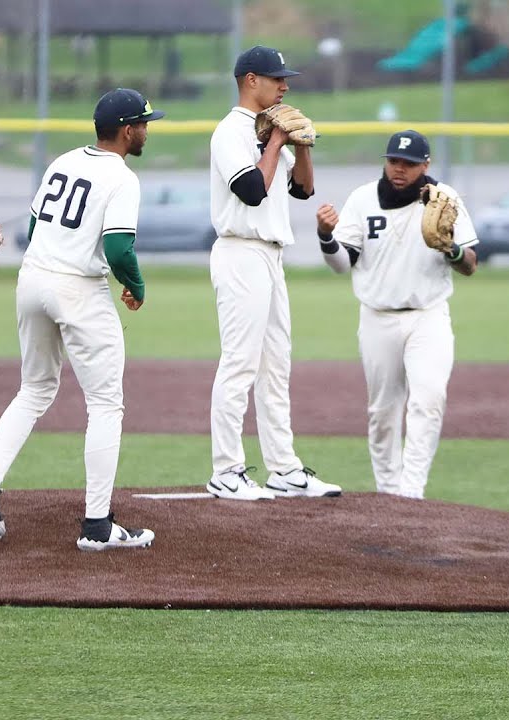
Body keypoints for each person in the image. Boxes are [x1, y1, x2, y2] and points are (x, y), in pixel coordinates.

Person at [0, 89, 160, 551]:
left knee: (33, 389)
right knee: (106, 403)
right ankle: (97, 526)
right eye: (145, 124)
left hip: (32, 278)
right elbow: (117, 248)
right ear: (127, 130)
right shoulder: (122, 177)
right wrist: (137, 284)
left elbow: (33, 230)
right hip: (78, 288)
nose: (148, 131)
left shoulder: (64, 160)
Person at [205, 45, 341, 501]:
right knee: (240, 363)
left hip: (270, 255)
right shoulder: (231, 131)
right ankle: (226, 470)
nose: (285, 85)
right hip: (240, 251)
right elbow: (250, 192)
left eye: (285, 77)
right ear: (250, 80)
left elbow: (303, 190)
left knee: (276, 365)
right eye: (276, 77)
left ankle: (283, 468)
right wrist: (278, 142)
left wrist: (300, 147)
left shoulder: (269, 129)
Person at [314, 130, 478, 499]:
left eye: (409, 163)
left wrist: (451, 249)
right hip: (377, 317)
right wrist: (327, 236)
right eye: (393, 161)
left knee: (429, 398)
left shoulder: (444, 198)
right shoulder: (363, 198)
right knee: (383, 412)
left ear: (426, 165)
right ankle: (388, 493)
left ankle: (411, 493)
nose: (399, 169)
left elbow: (470, 264)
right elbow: (343, 265)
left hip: (428, 315)